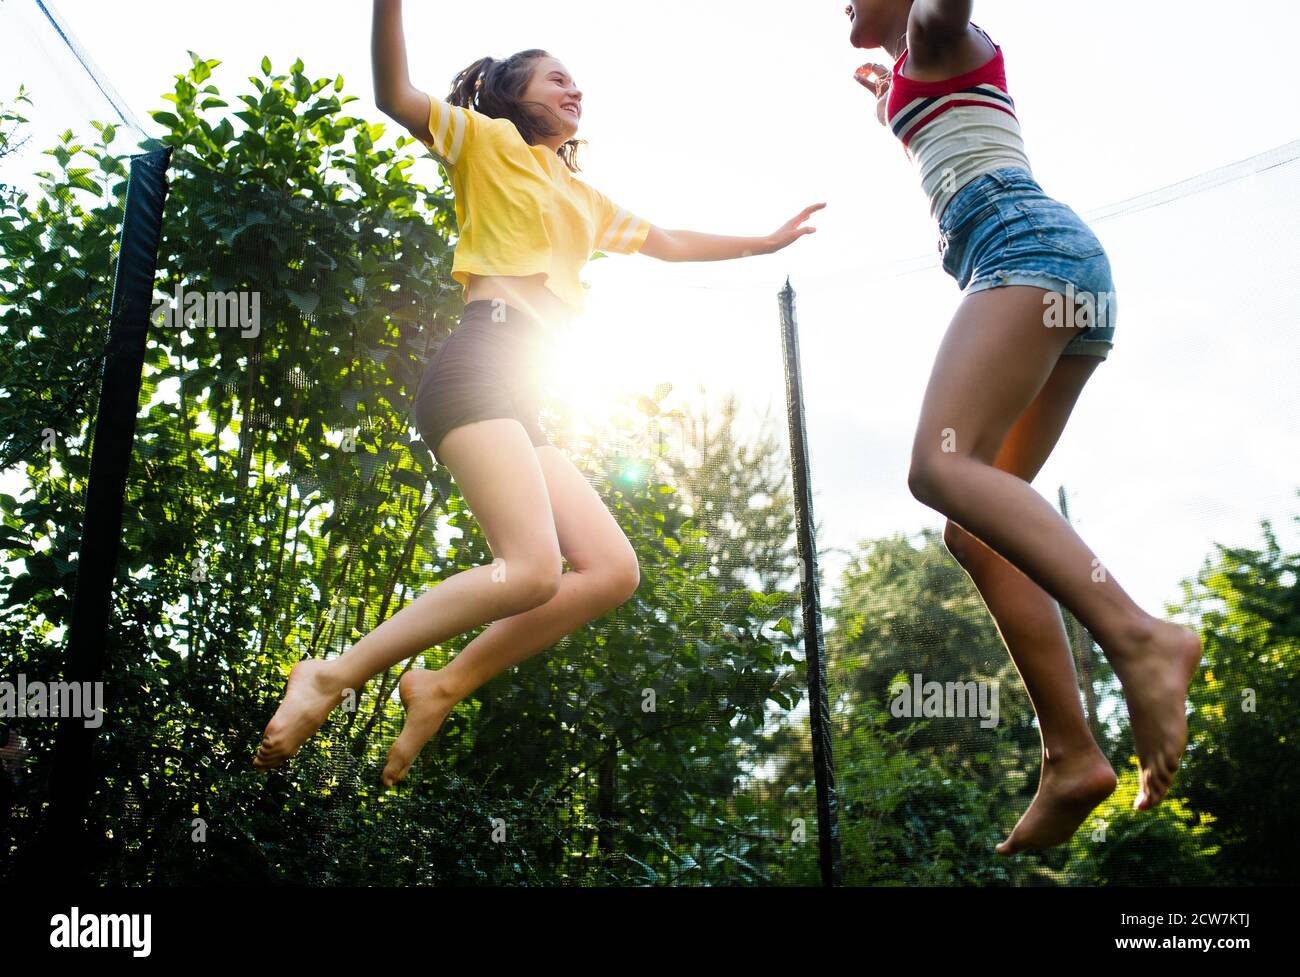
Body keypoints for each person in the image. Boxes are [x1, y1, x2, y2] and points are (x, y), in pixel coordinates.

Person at [252, 0, 823, 785]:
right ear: (514, 94)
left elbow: (669, 241)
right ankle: (334, 671)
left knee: (610, 571)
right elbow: (393, 93)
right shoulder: (483, 141)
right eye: (556, 77)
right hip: (479, 359)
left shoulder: (581, 196)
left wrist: (764, 240)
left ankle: (441, 682)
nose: (573, 88)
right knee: (530, 570)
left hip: (522, 387)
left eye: (577, 81)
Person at [844, 0, 1201, 853]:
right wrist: (884, 94)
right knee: (975, 528)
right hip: (1059, 272)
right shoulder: (914, 61)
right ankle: (1072, 754)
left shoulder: (940, 30)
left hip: (1026, 253)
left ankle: (1141, 636)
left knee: (939, 465)